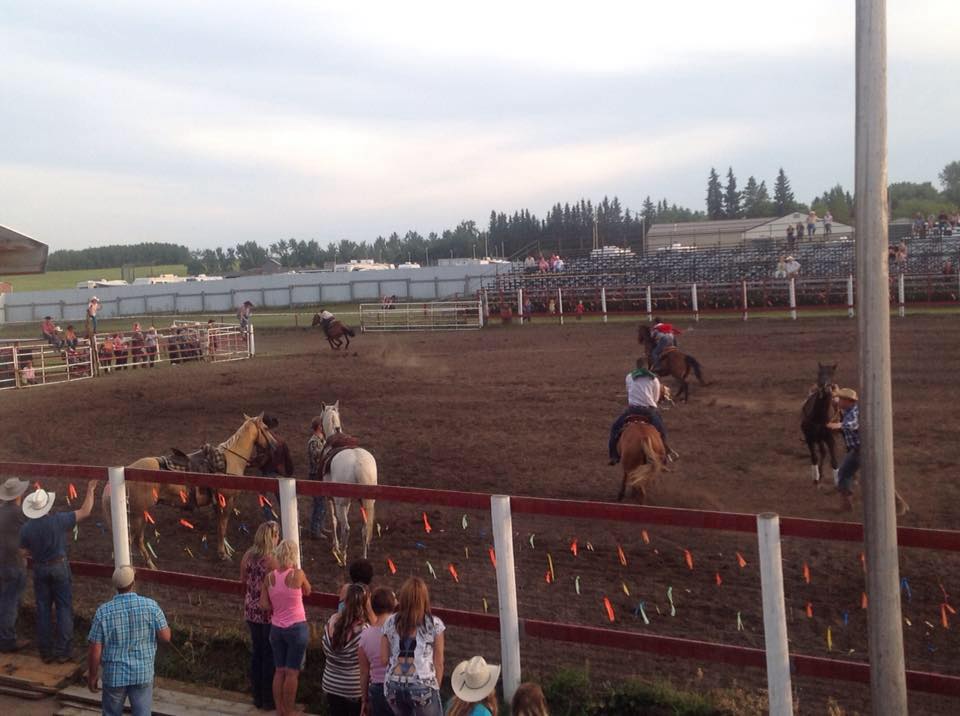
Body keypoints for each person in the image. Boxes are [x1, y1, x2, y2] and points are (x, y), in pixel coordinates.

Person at [19, 480, 98, 662]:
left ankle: (46, 651)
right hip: (59, 566)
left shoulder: (26, 529)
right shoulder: (58, 520)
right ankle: (63, 651)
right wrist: (91, 489)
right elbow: (85, 511)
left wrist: (36, 549)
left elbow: (22, 552)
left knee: (44, 609)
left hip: (40, 567)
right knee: (63, 607)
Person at [87, 565, 171, 716]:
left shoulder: (103, 612)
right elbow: (165, 637)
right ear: (133, 582)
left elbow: (95, 650)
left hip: (114, 675)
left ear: (115, 585)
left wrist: (93, 675)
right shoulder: (151, 606)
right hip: (142, 673)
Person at [381, 576, 445, 716]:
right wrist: (435, 688)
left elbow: (384, 659)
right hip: (422, 682)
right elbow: (439, 662)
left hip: (393, 685)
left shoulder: (390, 622)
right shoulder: (434, 624)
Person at [261, 539, 310, 716]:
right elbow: (308, 590)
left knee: (279, 670)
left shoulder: (269, 578)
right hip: (296, 627)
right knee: (292, 673)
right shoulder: (297, 574)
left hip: (276, 627)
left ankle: (280, 709)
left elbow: (264, 605)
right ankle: (289, 711)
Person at [608, 357, 677, 466]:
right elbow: (655, 398)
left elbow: (628, 391)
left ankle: (614, 456)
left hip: (632, 410)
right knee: (662, 431)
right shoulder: (654, 379)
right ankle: (664, 457)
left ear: (637, 367)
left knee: (615, 428)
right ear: (649, 367)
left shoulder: (629, 377)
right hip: (649, 411)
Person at [241, 521, 280, 711]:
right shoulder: (272, 561)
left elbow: (243, 580)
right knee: (269, 654)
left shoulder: (248, 556)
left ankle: (257, 695)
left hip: (250, 609)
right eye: (277, 535)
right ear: (271, 537)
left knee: (257, 652)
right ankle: (268, 698)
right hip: (267, 612)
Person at [322, 583, 369, 715]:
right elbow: (366, 664)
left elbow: (325, 649)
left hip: (330, 683)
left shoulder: (332, 621)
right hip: (352, 688)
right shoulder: (363, 631)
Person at [0, 477, 29, 653]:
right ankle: (7, 640)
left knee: (3, 598)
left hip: (1, 561)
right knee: (10, 602)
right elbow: (31, 530)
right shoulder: (18, 513)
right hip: (13, 562)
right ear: (19, 494)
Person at [359, 587, 397, 716]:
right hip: (398, 686)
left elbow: (364, 672)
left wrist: (364, 699)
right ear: (392, 604)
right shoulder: (401, 631)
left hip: (377, 689)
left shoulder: (365, 635)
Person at [827, 388, 859, 512]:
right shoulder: (848, 409)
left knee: (844, 474)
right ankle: (846, 503)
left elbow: (854, 424)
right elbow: (834, 400)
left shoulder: (854, 413)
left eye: (841, 399)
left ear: (848, 401)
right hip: (856, 451)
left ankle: (846, 504)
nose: (838, 401)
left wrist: (836, 425)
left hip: (860, 451)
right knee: (845, 473)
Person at [306, 416, 330, 540]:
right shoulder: (314, 442)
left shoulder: (321, 440)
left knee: (322, 504)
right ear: (319, 427)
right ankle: (315, 531)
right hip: (316, 476)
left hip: (319, 475)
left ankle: (320, 527)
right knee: (318, 505)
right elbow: (317, 457)